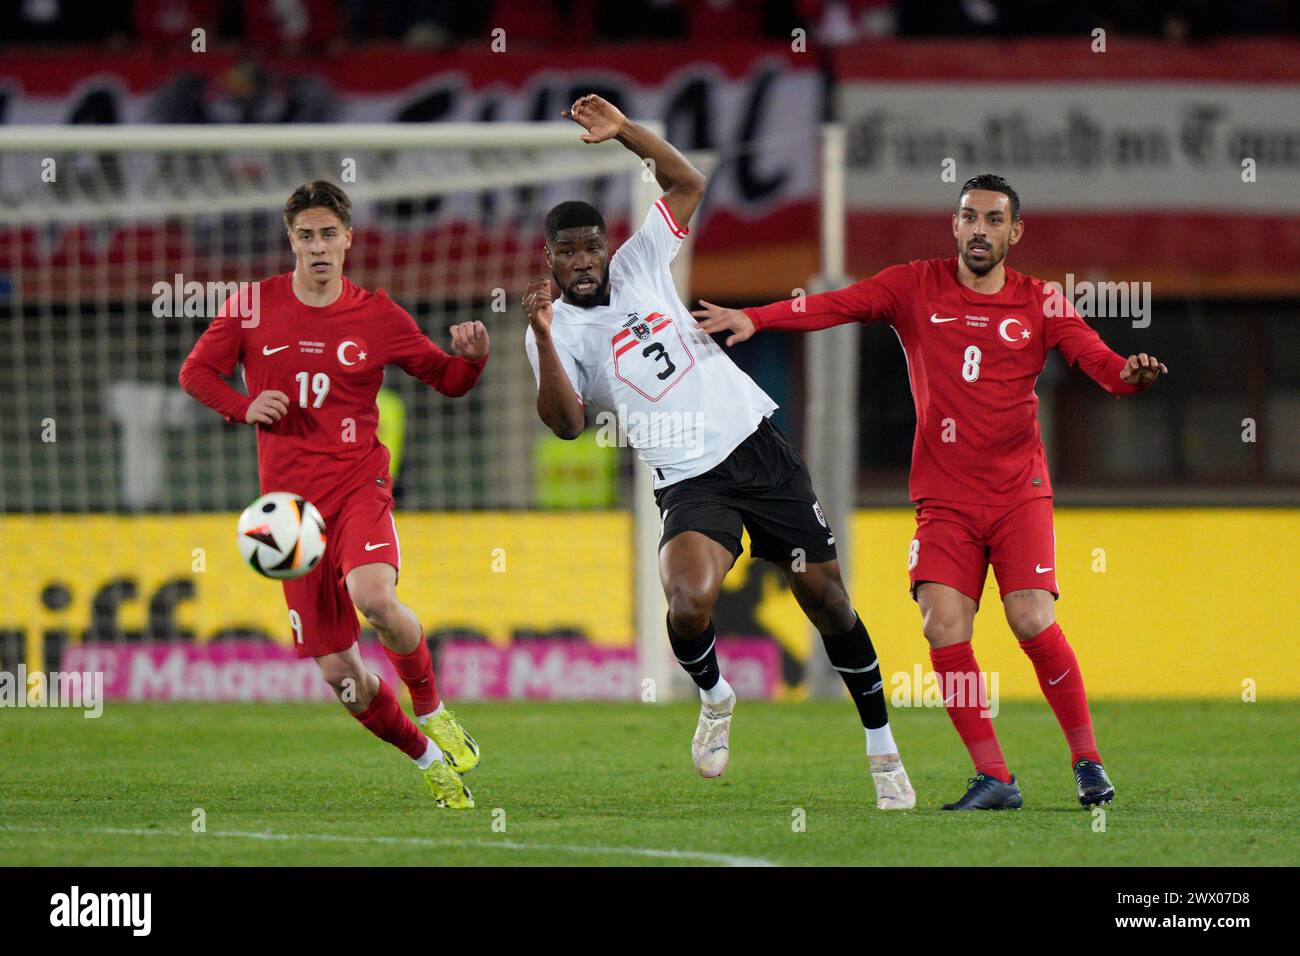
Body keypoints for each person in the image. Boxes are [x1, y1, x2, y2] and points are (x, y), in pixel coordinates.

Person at [693, 173, 1168, 809]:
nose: (980, 229)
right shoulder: (915, 286)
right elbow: (836, 303)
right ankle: (995, 778)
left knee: (1031, 617)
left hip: (1017, 491)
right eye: (970, 216)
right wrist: (756, 317)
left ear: (1014, 233)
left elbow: (1100, 363)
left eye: (994, 220)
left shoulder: (1042, 303)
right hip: (945, 498)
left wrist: (1131, 376)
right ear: (955, 224)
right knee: (943, 628)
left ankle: (1087, 762)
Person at [523, 94, 915, 809]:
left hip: (755, 448)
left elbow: (687, 184)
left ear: (605, 246)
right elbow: (566, 425)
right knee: (688, 601)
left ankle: (883, 750)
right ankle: (714, 695)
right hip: (688, 480)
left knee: (825, 599)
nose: (582, 262)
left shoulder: (643, 262)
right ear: (548, 258)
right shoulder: (553, 331)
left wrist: (627, 136)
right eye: (567, 252)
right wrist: (546, 337)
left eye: (589, 247)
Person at [180, 181, 488, 809]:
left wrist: (473, 362)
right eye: (305, 236)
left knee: (374, 597)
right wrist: (243, 407)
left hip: (358, 487)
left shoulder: (378, 315)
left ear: (348, 238)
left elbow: (445, 379)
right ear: (289, 240)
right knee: (339, 674)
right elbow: (194, 372)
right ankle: (429, 761)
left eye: (328, 234)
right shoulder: (250, 307)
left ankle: (433, 710)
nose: (317, 247)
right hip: (290, 516)